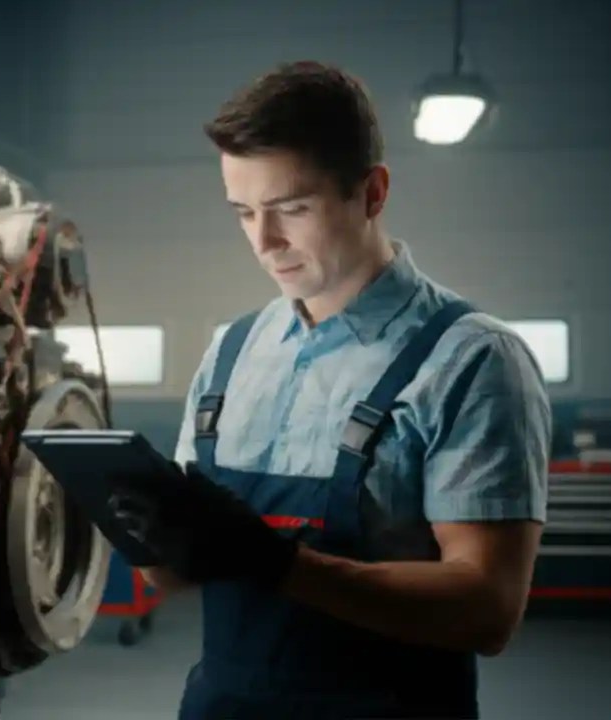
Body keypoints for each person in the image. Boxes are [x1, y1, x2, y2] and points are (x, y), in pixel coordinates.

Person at [109, 61, 552, 719]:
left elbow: (487, 610)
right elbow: (171, 578)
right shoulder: (230, 354)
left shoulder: (472, 360)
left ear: (372, 192)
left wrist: (276, 562)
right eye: (244, 213)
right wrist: (142, 528)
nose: (264, 242)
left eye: (292, 208)